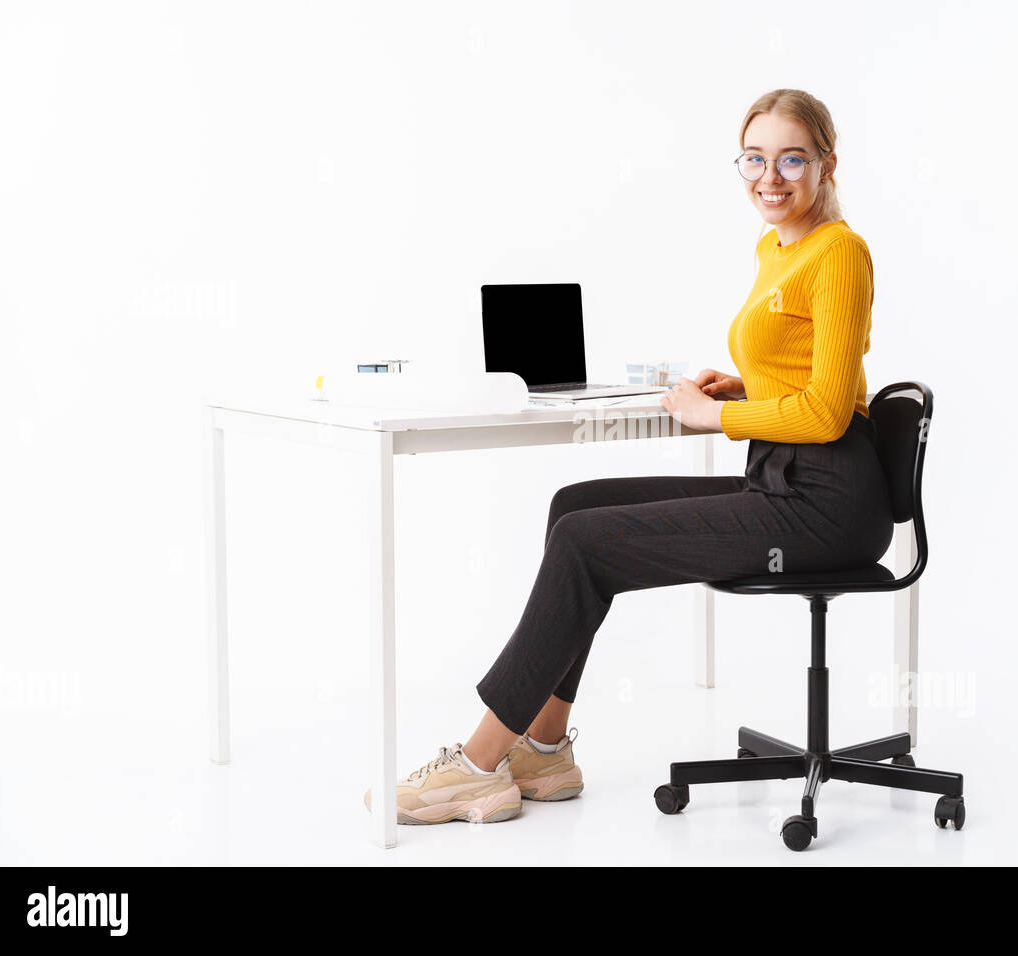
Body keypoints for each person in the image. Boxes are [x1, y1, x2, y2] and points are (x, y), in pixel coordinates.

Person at [364, 88, 895, 826]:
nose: (769, 177)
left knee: (587, 543)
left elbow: (831, 410)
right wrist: (743, 382)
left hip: (827, 505)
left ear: (826, 164)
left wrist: (718, 414)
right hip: (780, 479)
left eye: (791, 159)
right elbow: (808, 371)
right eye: (754, 158)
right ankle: (546, 752)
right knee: (575, 506)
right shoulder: (777, 247)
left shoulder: (840, 252)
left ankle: (478, 763)